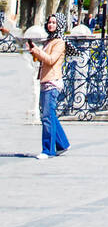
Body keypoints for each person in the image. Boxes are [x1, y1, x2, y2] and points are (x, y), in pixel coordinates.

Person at [0, 12, 72, 160]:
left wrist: (37, 51)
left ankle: (48, 150)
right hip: (45, 80)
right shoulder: (49, 41)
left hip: (53, 82)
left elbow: (51, 60)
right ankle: (63, 143)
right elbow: (41, 58)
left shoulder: (59, 42)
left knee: (47, 117)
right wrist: (33, 50)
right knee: (50, 115)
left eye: (54, 22)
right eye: (49, 22)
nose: (51, 24)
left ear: (60, 25)